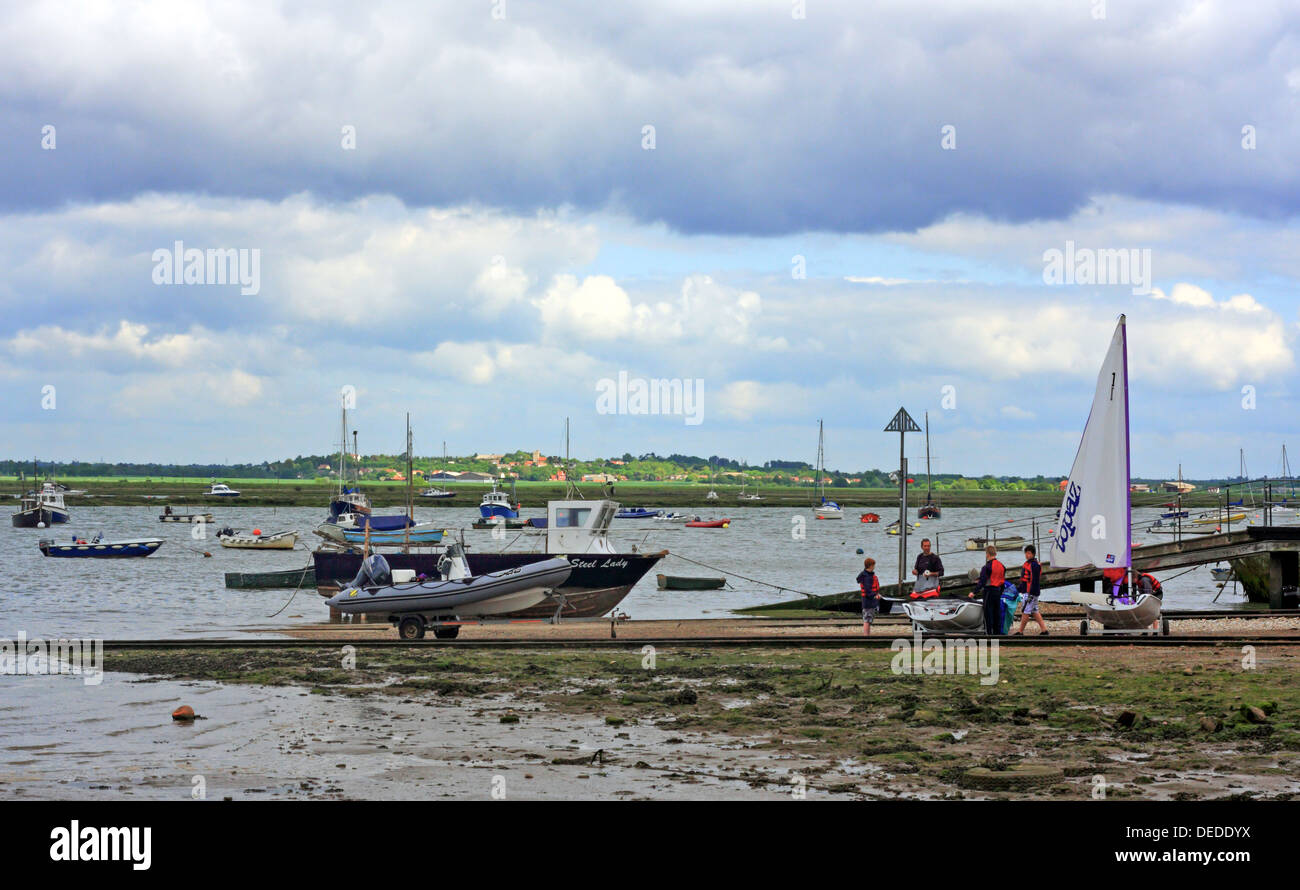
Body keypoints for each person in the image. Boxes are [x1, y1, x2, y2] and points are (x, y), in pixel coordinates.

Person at [1014, 544, 1047, 635]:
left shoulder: (1034, 565)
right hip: (1028, 592)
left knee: (1025, 611)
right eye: (1026, 553)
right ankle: (1044, 630)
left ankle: (1020, 631)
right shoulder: (1027, 564)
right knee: (1035, 611)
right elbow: (1024, 580)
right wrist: (1019, 589)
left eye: (1029, 553)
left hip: (1030, 593)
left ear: (1033, 554)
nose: (1027, 555)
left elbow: (1035, 580)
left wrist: (1031, 593)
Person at [978, 545, 1006, 635]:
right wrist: (1000, 592)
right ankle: (997, 633)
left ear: (987, 554)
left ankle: (989, 633)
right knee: (996, 613)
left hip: (989, 591)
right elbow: (1002, 581)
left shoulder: (986, 567)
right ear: (995, 553)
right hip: (998, 591)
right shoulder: (1002, 566)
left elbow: (982, 582)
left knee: (988, 613)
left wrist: (973, 592)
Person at [856, 557, 881, 636]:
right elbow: (867, 590)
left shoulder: (864, 574)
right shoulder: (867, 577)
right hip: (868, 601)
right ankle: (866, 636)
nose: (874, 567)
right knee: (867, 619)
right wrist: (875, 595)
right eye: (873, 565)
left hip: (868, 601)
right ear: (870, 566)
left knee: (868, 618)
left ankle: (867, 635)